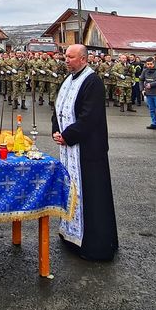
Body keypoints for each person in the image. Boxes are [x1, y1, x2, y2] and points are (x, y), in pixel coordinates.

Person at [51, 44, 119, 261]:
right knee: (72, 190)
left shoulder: (92, 82)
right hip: (70, 148)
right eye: (65, 56)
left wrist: (68, 135)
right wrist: (56, 129)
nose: (66, 60)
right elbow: (59, 108)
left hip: (88, 150)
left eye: (70, 57)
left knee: (92, 196)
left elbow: (90, 116)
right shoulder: (68, 80)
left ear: (83, 59)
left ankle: (93, 244)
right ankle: (72, 236)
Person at [140, 57, 156, 131]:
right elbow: (141, 80)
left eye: (151, 64)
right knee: (151, 109)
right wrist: (142, 90)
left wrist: (151, 84)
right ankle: (154, 123)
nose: (149, 65)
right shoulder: (144, 71)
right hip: (148, 94)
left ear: (154, 63)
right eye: (148, 64)